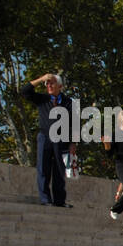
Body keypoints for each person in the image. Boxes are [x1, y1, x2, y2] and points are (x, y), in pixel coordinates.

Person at [20, 72, 73, 206]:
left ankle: (60, 201)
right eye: (47, 83)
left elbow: (74, 123)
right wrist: (41, 78)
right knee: (43, 168)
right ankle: (45, 199)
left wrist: (73, 143)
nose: (49, 85)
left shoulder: (68, 102)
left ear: (60, 86)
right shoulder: (42, 99)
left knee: (59, 170)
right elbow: (25, 91)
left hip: (62, 139)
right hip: (45, 137)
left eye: (52, 83)